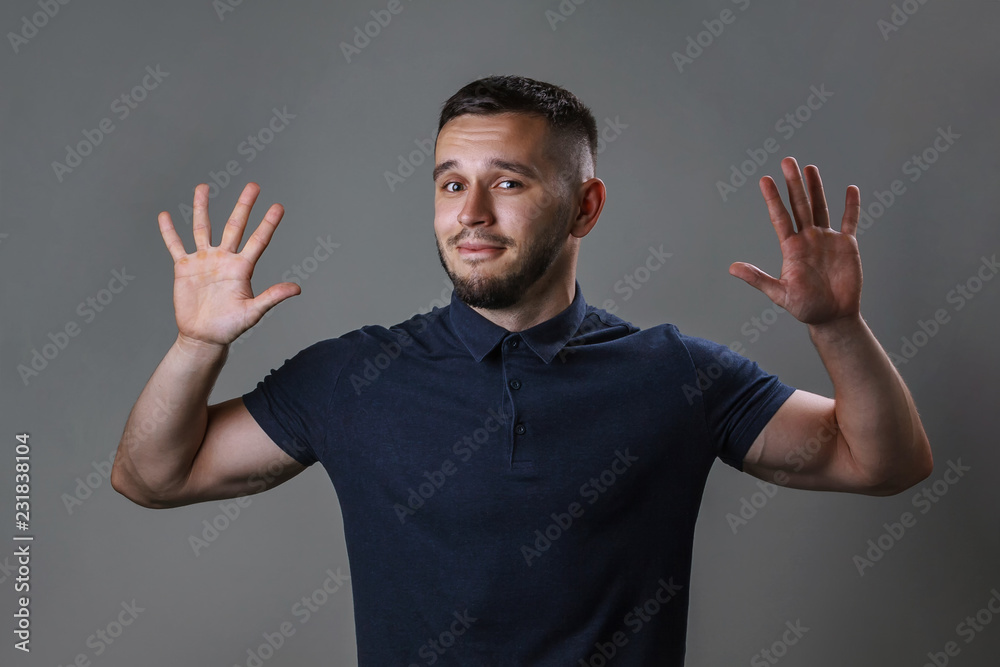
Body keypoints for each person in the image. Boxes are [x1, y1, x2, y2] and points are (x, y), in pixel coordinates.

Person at [111, 75, 933, 665]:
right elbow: (152, 474)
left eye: (508, 182)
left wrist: (840, 328)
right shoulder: (352, 377)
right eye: (450, 184)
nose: (471, 214)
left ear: (586, 206)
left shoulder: (677, 373)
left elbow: (882, 461)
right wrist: (197, 345)